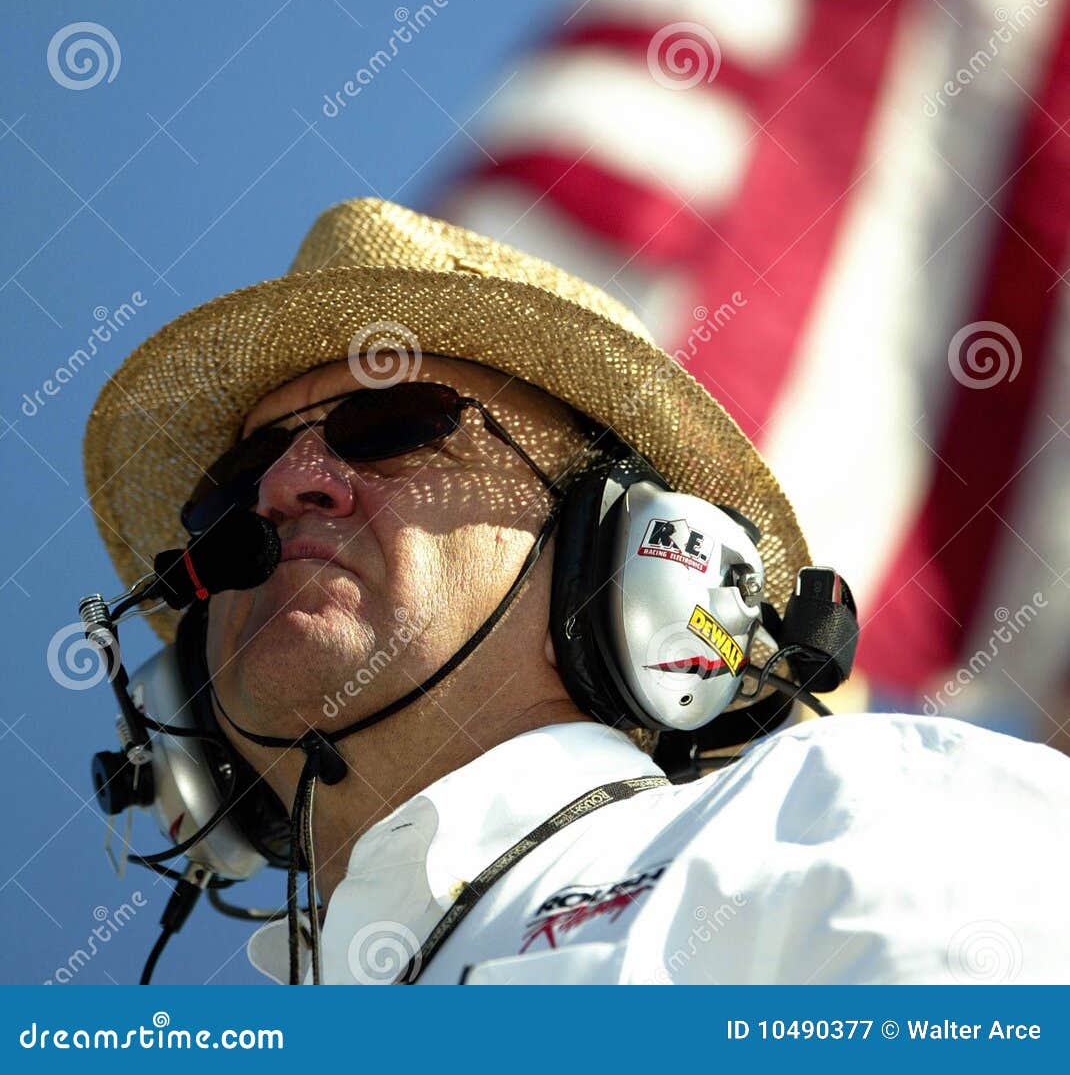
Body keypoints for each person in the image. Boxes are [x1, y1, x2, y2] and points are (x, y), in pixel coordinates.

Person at [83, 198, 1070, 985]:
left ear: (626, 559)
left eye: (394, 423)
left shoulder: (853, 811)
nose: (280, 486)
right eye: (236, 478)